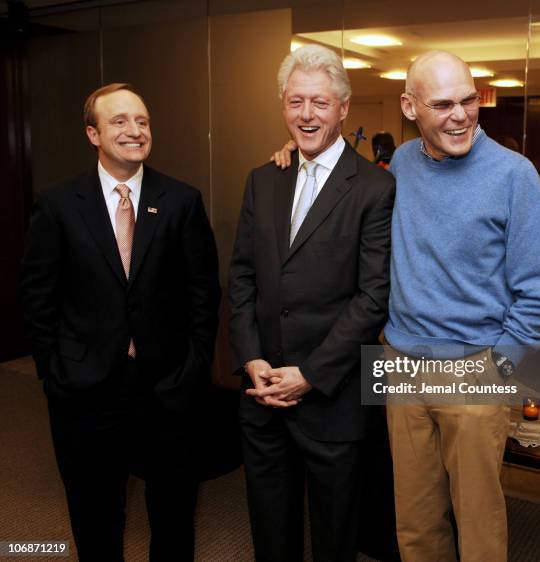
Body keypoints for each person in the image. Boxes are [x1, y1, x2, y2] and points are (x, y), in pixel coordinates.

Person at [272, 50, 540, 562]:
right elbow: (340, 176)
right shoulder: (399, 166)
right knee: (414, 520)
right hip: (402, 369)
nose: (460, 115)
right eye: (443, 103)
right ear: (410, 108)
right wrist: (294, 156)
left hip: (474, 369)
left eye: (469, 101)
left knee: (478, 522)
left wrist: (499, 367)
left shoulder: (513, 176)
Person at [21, 83, 220, 562]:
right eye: (120, 122)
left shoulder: (182, 200)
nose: (135, 131)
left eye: (143, 121)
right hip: (84, 389)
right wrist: (54, 373)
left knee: (173, 513)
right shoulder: (58, 204)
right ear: (93, 134)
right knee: (95, 516)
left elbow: (203, 293)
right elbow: (38, 297)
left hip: (166, 386)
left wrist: (193, 368)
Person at [229, 44, 395, 562]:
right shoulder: (263, 179)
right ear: (282, 105)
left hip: (332, 398)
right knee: (270, 535)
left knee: (334, 539)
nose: (307, 114)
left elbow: (373, 297)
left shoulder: (375, 187)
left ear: (344, 109)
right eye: (296, 101)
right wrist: (252, 359)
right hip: (263, 394)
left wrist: (311, 374)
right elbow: (241, 277)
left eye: (320, 103)